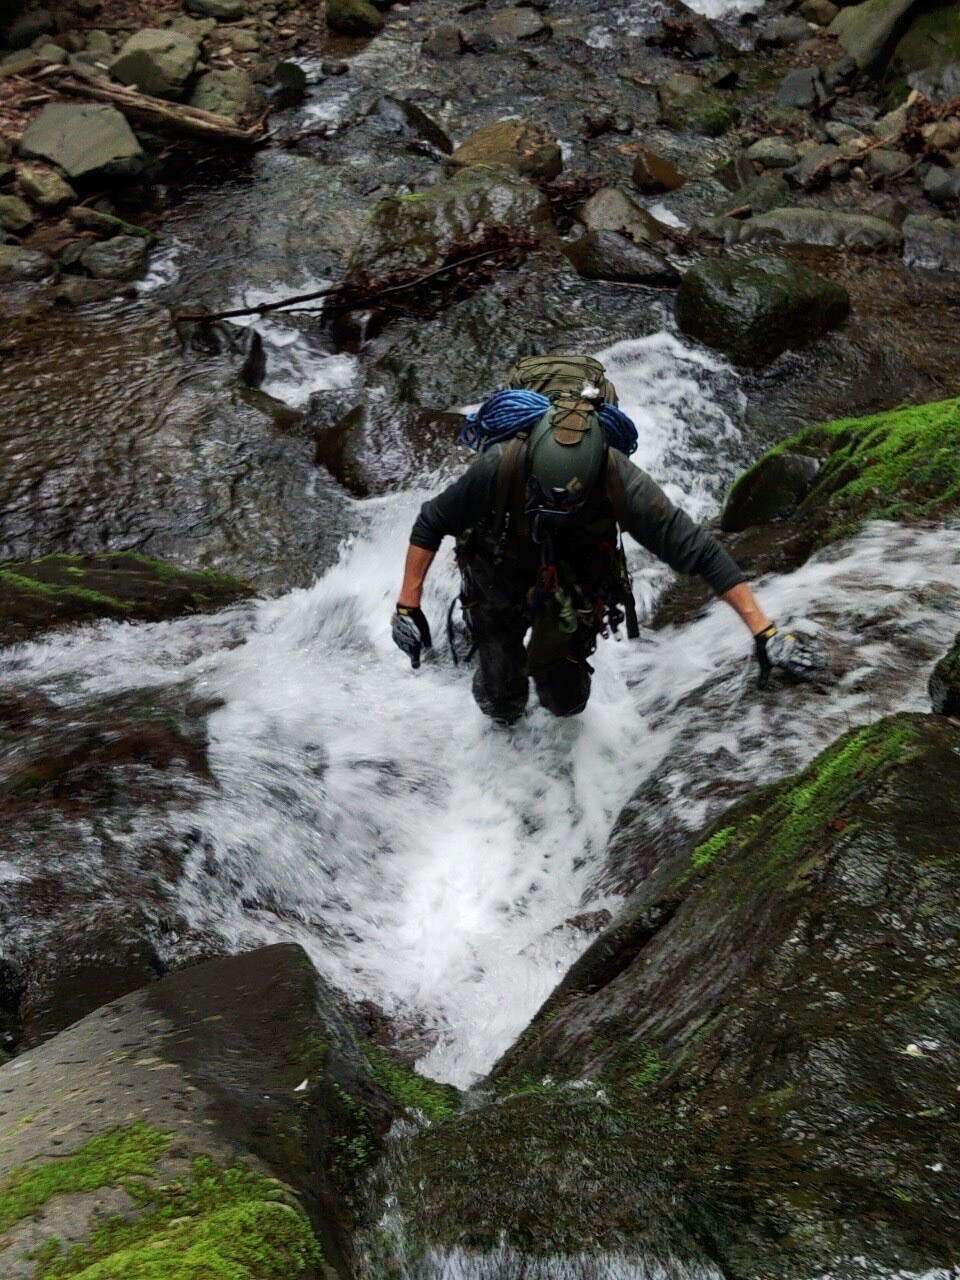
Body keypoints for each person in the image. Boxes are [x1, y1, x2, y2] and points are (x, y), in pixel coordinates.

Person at [391, 356, 823, 724]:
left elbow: (703, 553)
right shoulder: (498, 467)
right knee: (500, 699)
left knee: (566, 702)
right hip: (496, 574)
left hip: (576, 581)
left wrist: (765, 632)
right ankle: (499, 695)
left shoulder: (622, 481)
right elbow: (431, 522)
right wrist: (408, 606)